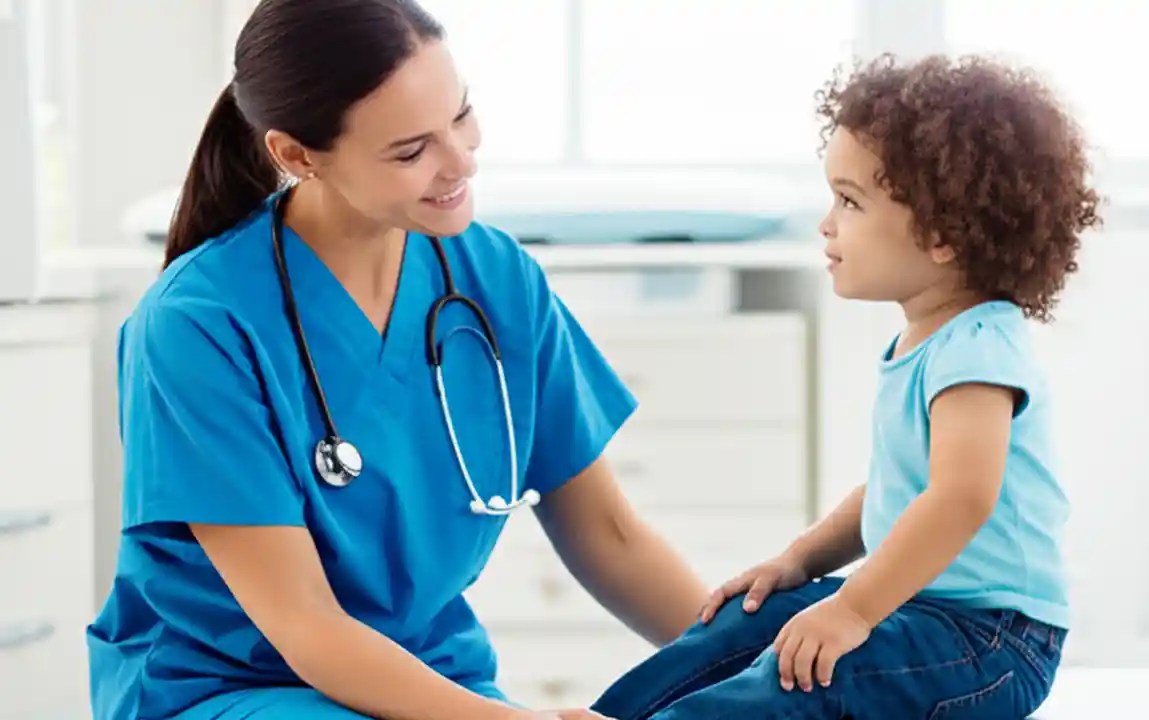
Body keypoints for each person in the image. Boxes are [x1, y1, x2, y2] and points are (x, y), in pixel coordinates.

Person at [84, 2, 708, 718]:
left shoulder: (496, 279)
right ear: (297, 156)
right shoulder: (198, 324)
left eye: (462, 116)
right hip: (229, 688)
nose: (462, 161)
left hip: (429, 680)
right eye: (412, 151)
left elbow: (610, 537)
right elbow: (306, 625)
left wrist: (753, 670)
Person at [591, 53, 1102, 720]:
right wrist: (799, 562)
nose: (826, 223)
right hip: (924, 609)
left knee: (807, 674)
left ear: (942, 234)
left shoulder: (979, 348)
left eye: (850, 201)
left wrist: (853, 608)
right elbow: (896, 493)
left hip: (993, 643)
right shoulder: (927, 340)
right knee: (750, 622)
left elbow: (960, 499)